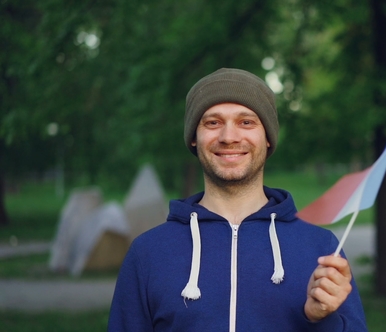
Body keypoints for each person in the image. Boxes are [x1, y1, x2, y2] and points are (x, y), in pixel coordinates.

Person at [108, 68, 368, 331]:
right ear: (194, 139)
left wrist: (320, 320)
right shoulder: (148, 253)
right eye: (212, 122)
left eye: (246, 122)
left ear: (267, 138)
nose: (229, 137)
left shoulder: (322, 249)